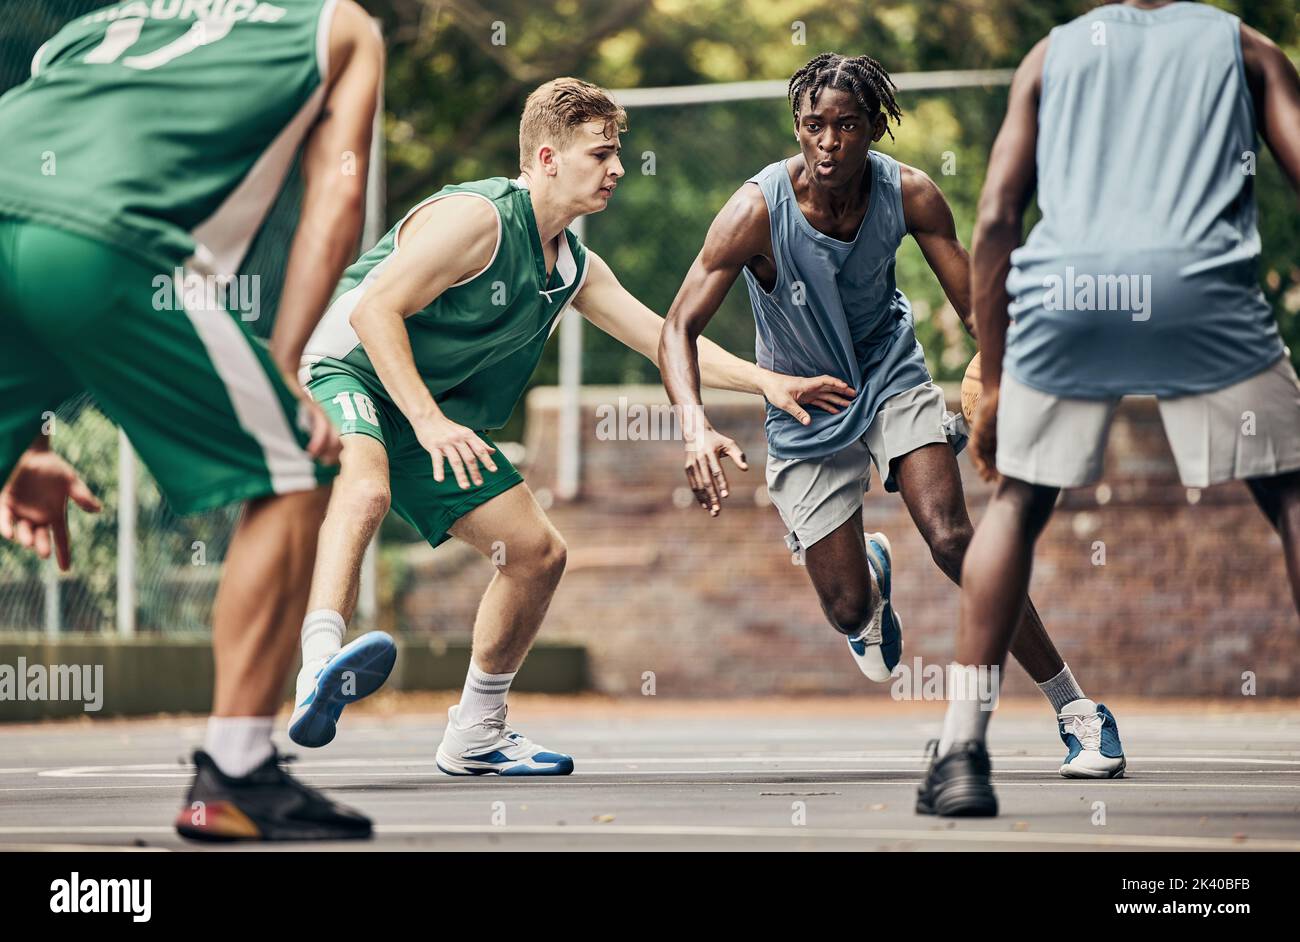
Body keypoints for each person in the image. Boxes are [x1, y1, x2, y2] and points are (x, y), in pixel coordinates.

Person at [290, 76, 854, 773]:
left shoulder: (573, 268)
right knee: (367, 488)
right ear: (548, 158)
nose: (617, 168)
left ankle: (477, 732)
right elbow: (373, 311)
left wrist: (764, 379)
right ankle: (318, 666)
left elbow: (663, 338)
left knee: (536, 554)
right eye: (601, 154)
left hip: (419, 410)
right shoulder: (478, 219)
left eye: (617, 153)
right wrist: (430, 421)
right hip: (346, 370)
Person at [658, 52, 1125, 785]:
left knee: (953, 539)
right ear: (797, 126)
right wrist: (693, 424)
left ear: (876, 126)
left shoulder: (909, 194)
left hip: (889, 375)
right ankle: (870, 584)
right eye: (813, 125)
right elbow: (677, 327)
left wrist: (1017, 381)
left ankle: (1077, 710)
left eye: (846, 125)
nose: (828, 142)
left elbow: (975, 310)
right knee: (847, 609)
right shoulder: (756, 212)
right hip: (804, 406)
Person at [0, 0, 385, 840]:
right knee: (296, 466)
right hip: (106, 244)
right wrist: (286, 366)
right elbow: (340, 187)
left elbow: (31, 188)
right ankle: (235, 774)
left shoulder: (90, 29)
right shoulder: (337, 26)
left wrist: (26, 444)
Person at [938, 0, 1300, 817]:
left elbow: (995, 219)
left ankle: (960, 752)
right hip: (1199, 289)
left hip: (1071, 293)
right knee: (1292, 492)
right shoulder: (1245, 48)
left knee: (1018, 502)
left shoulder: (1051, 55)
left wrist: (996, 372)